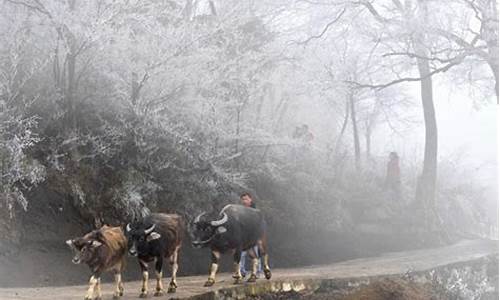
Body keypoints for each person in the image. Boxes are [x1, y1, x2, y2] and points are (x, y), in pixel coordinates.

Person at [239, 192, 262, 277]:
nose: (244, 201)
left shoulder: (255, 211)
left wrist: (259, 237)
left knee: (255, 253)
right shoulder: (240, 210)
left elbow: (259, 224)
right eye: (243, 199)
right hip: (243, 236)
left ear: (250, 199)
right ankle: (241, 271)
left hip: (253, 236)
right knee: (241, 254)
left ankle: (257, 272)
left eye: (246, 199)